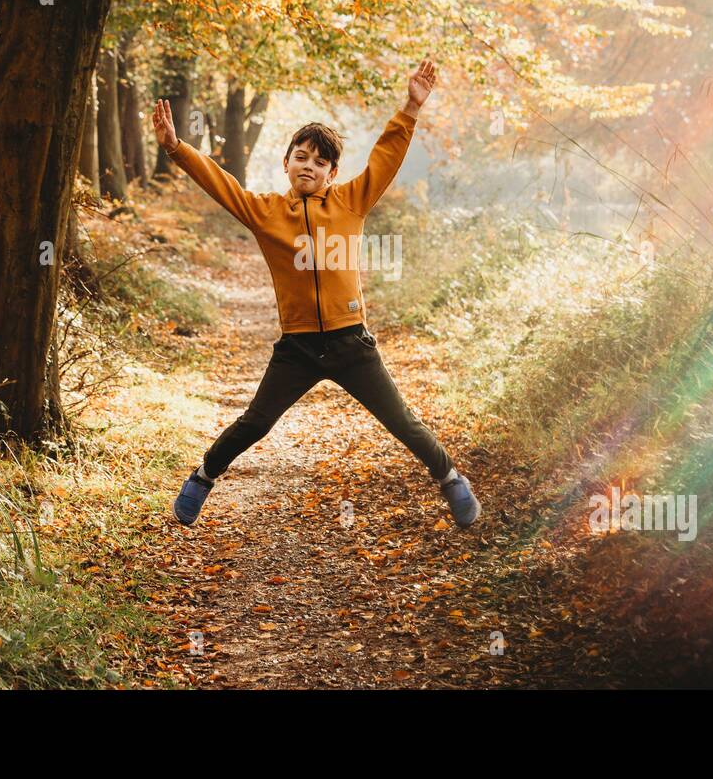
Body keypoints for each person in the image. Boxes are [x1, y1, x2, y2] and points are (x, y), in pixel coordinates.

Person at [151, 59, 481, 529]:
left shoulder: (351, 201)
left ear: (331, 172)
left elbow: (385, 158)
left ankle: (450, 479)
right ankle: (203, 477)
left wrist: (410, 106)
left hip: (352, 344)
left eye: (320, 161)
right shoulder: (263, 212)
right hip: (298, 349)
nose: (309, 166)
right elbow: (220, 183)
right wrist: (177, 148)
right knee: (255, 424)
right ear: (286, 163)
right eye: (301, 157)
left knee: (402, 421)